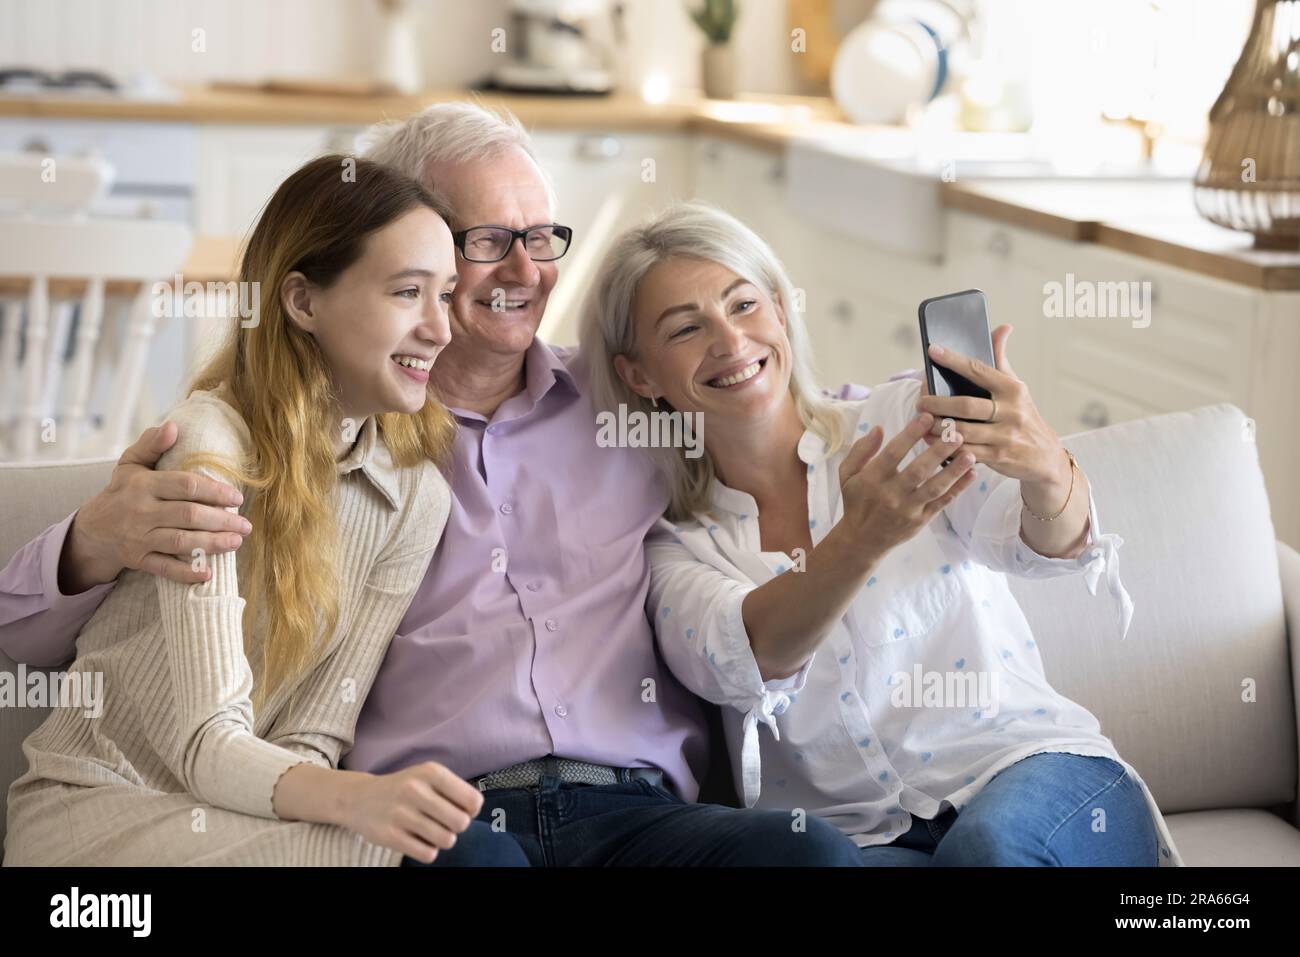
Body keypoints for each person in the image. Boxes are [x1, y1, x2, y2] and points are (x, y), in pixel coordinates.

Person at [0, 105, 864, 867]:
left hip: (636, 811)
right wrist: (87, 544)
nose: (524, 270)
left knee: (810, 855)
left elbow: (784, 412)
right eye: (484, 241)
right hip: (448, 813)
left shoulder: (629, 398)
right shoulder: (335, 444)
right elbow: (29, 637)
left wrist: (937, 439)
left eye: (539, 236)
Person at [579, 200, 1184, 866]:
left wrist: (1044, 464)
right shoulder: (676, 547)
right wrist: (862, 536)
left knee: (989, 849)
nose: (729, 340)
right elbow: (754, 655)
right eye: (687, 327)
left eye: (744, 304)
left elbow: (1048, 544)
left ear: (781, 309)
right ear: (639, 374)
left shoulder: (900, 417)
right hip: (866, 837)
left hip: (1026, 770)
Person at [3, 155, 486, 866]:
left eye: (445, 295)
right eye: (408, 292)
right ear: (302, 301)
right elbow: (206, 740)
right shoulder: (210, 444)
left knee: (462, 855)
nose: (440, 328)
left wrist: (344, 809)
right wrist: (361, 799)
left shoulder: (416, 497)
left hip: (226, 816)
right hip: (96, 812)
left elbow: (312, 738)